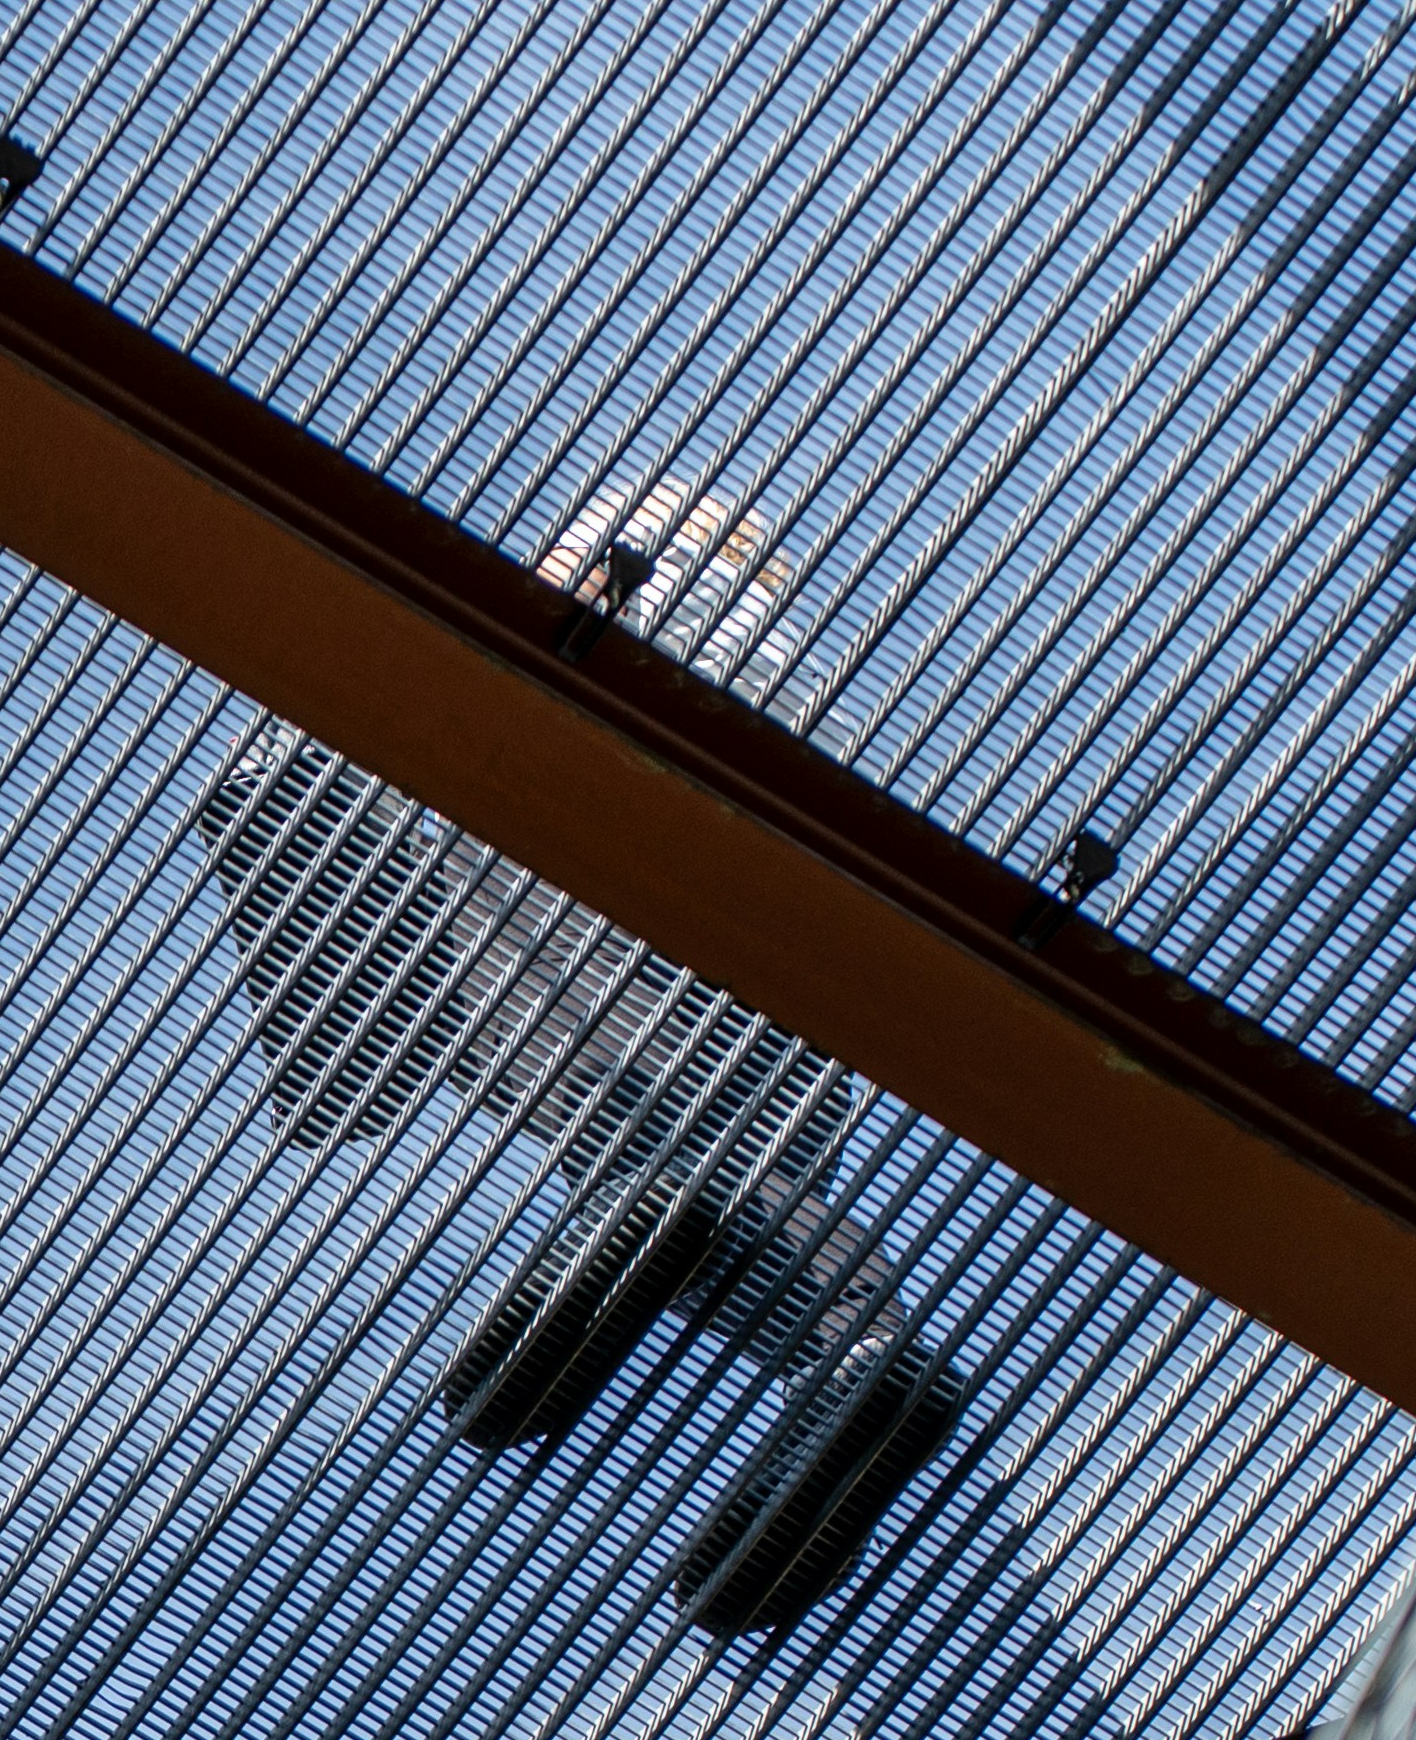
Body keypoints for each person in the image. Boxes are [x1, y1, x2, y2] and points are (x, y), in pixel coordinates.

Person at [189, 485, 974, 1642]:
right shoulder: (764, 674)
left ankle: (742, 1275)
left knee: (638, 1115)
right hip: (739, 1009)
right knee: (715, 1185)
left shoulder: (647, 619)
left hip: (628, 931)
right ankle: (842, 1344)